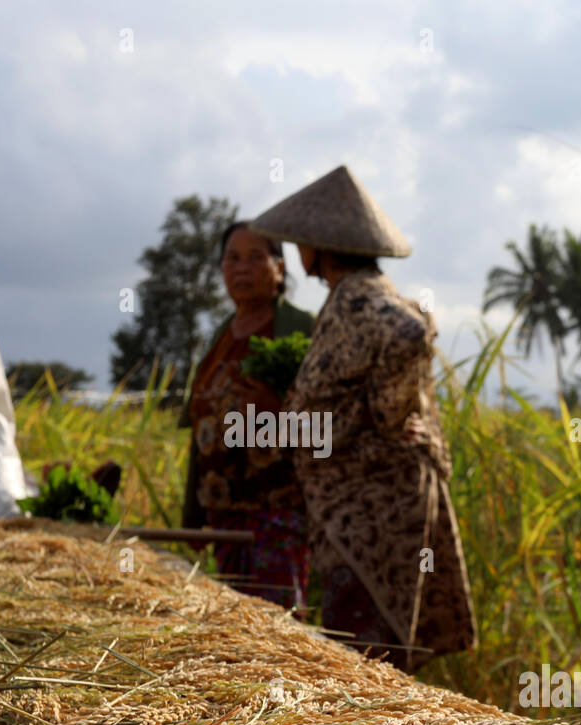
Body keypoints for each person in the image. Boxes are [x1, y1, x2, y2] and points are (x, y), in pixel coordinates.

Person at [250, 166, 478, 672]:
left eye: (302, 243)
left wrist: (388, 412)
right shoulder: (350, 295)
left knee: (370, 658)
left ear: (319, 248)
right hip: (361, 510)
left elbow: (408, 336)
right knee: (368, 656)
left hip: (375, 511)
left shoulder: (361, 298)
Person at [179, 222, 317, 610]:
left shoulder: (303, 330)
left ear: (280, 269)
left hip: (278, 517)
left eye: (256, 257)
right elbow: (200, 434)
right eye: (232, 259)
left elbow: (329, 427)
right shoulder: (218, 340)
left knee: (276, 629)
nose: (241, 268)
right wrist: (193, 516)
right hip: (225, 520)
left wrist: (282, 413)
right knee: (236, 632)